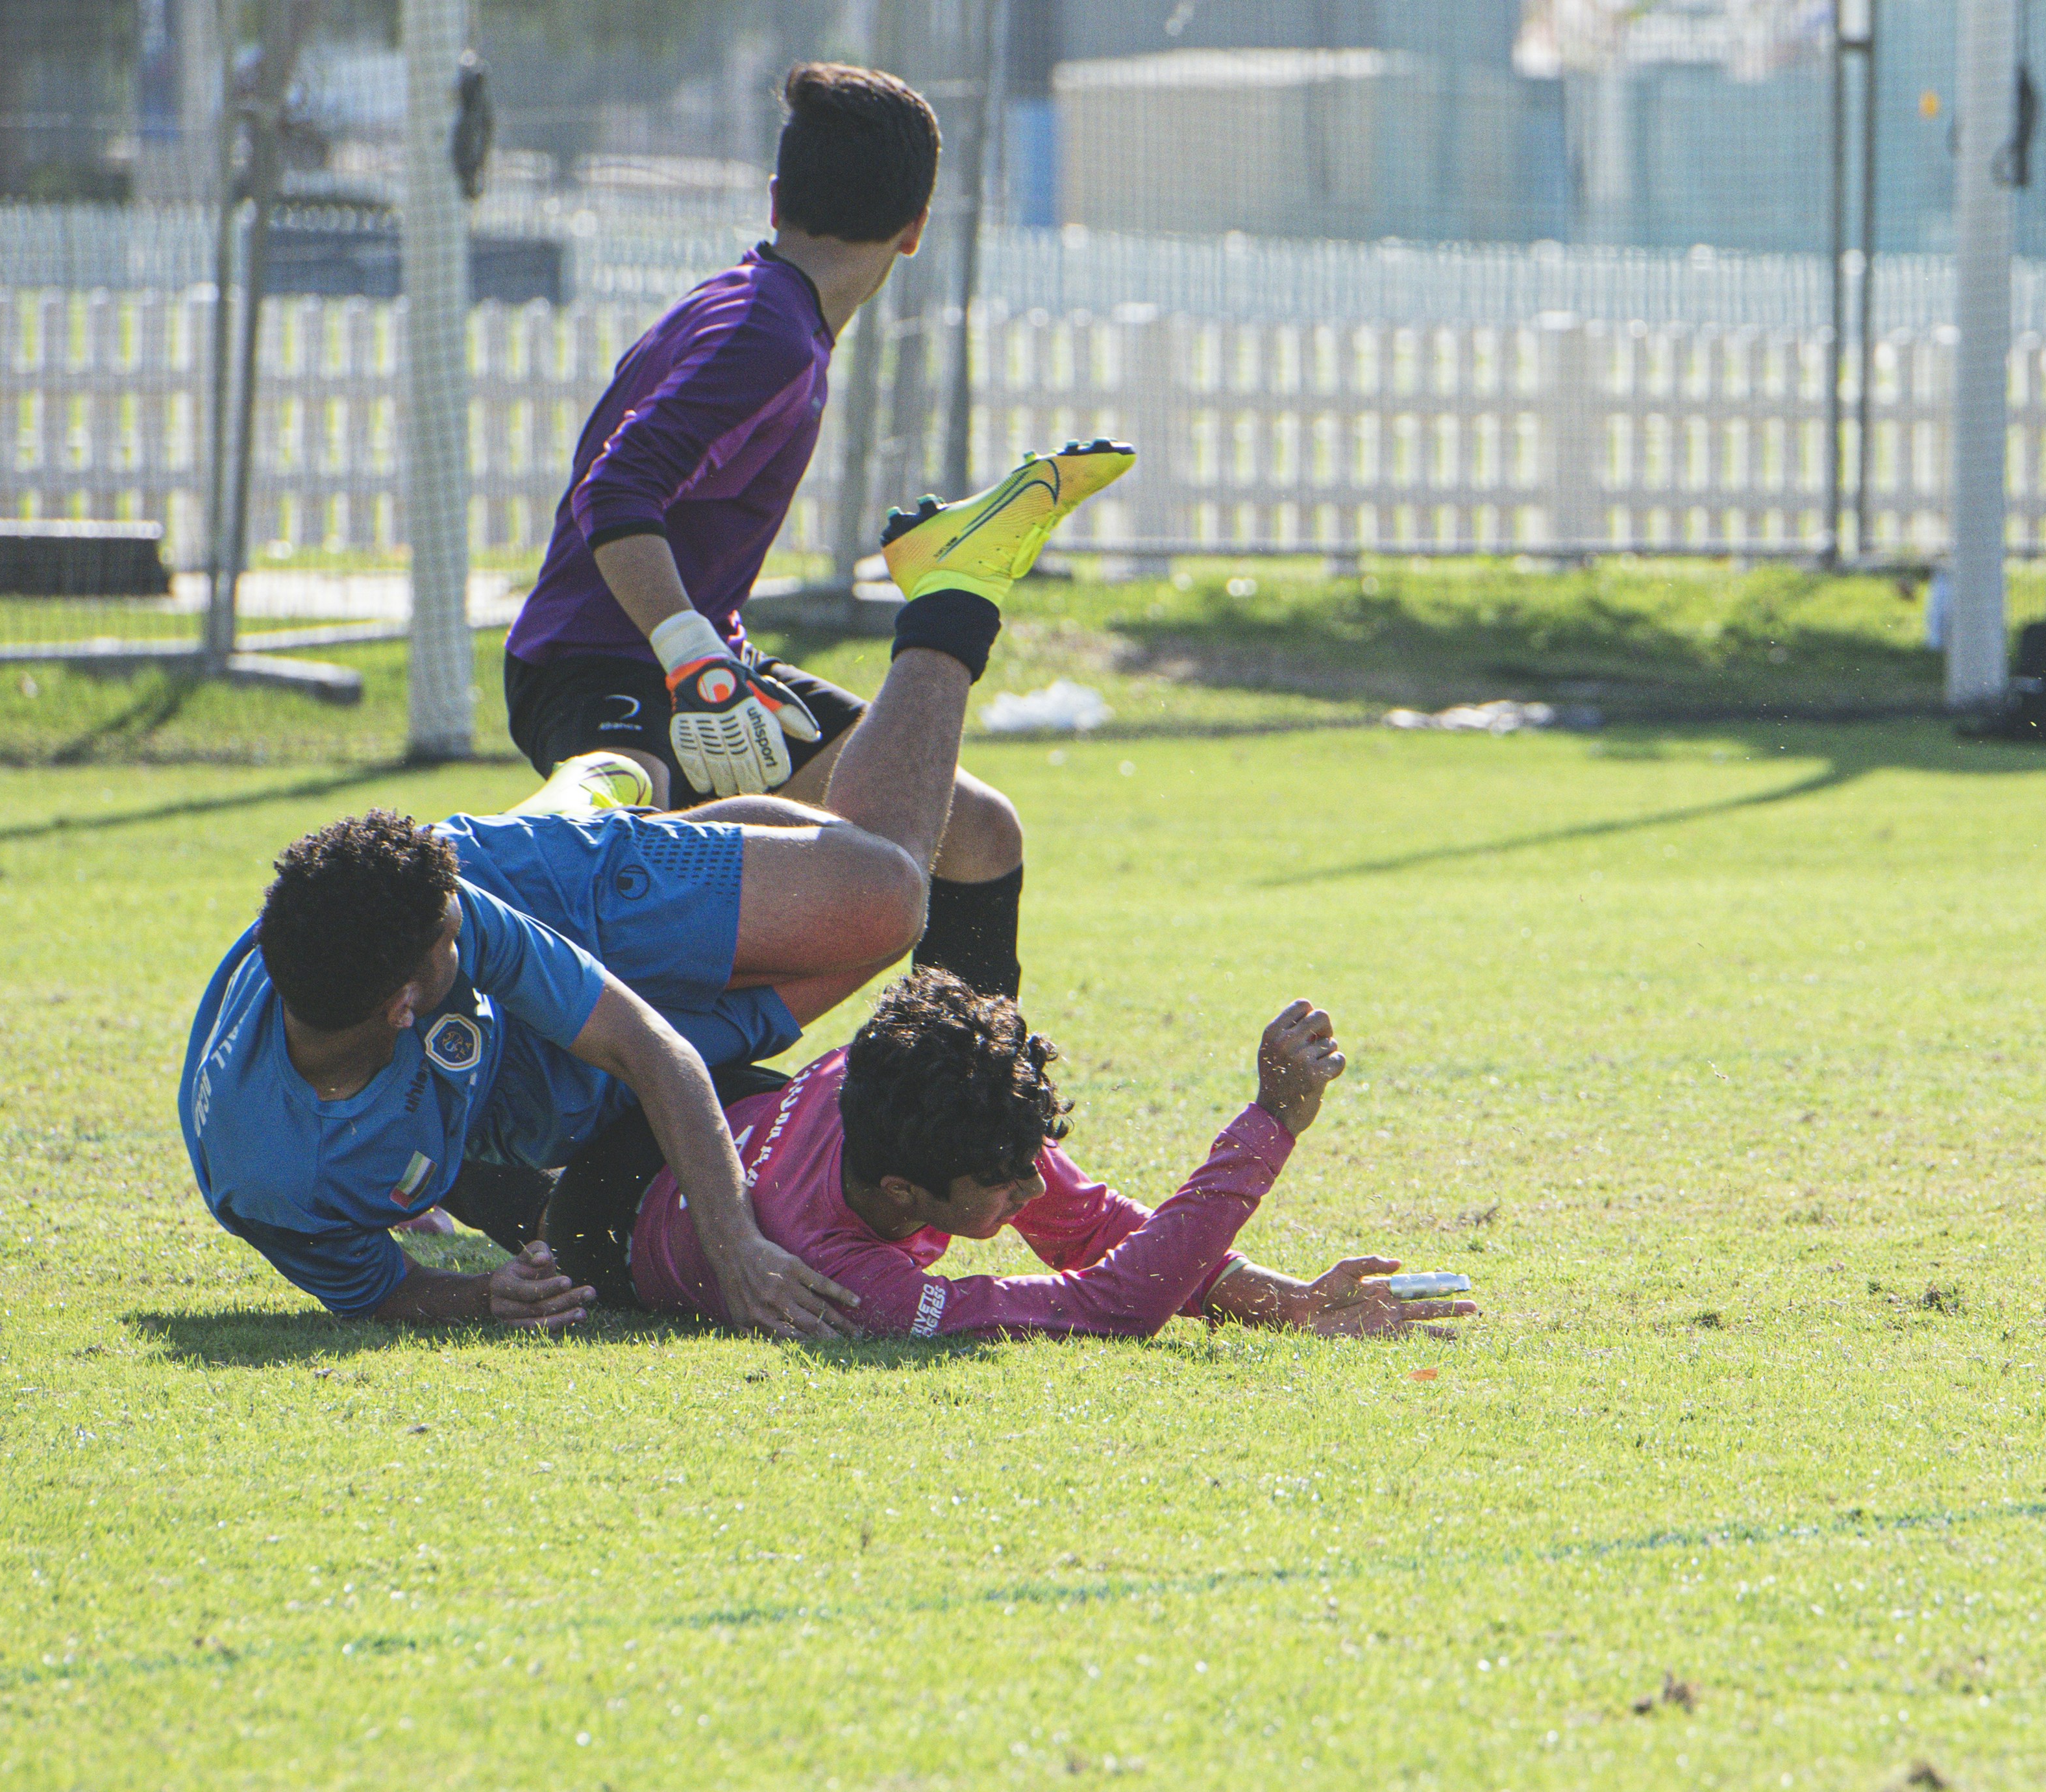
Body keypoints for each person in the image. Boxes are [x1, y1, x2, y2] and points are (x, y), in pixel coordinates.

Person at [180, 437, 1118, 1338]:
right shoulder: (271, 1173)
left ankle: (952, 590)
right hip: (524, 1081)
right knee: (919, 872)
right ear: (401, 1006)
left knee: (883, 898)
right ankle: (611, 801)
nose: (453, 922)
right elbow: (378, 1288)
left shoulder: (457, 910)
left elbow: (645, 1044)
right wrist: (477, 1298)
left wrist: (736, 1244)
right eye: (445, 941)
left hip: (558, 890)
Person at [500, 61, 1115, 1004]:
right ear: (915, 232)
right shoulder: (766, 334)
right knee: (624, 872)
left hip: (703, 668)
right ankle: (545, 1109)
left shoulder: (760, 308)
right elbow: (617, 489)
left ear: (779, 196)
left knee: (975, 832)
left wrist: (711, 658)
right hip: (594, 669)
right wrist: (689, 654)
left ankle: (969, 1116)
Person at [546, 972, 1480, 1343]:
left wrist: (1288, 1304)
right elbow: (1108, 1305)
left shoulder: (904, 1086)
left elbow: (1094, 1231)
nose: (1035, 1190)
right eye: (1006, 1184)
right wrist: (1269, 1126)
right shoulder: (839, 1276)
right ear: (905, 1192)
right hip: (602, 1221)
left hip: (720, 1098)